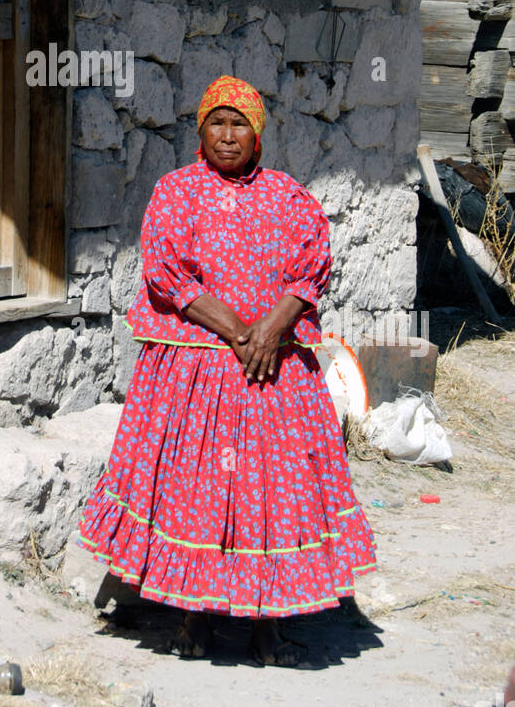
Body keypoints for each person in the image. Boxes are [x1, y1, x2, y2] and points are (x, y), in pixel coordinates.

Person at [77, 74, 377, 664]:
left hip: (276, 369)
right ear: (201, 131)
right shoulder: (176, 192)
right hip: (196, 369)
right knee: (197, 490)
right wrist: (242, 333)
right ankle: (194, 617)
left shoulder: (290, 196)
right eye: (217, 121)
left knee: (270, 492)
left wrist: (272, 330)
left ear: (258, 134)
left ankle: (268, 626)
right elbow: (168, 276)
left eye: (240, 123)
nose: (228, 134)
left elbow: (312, 269)